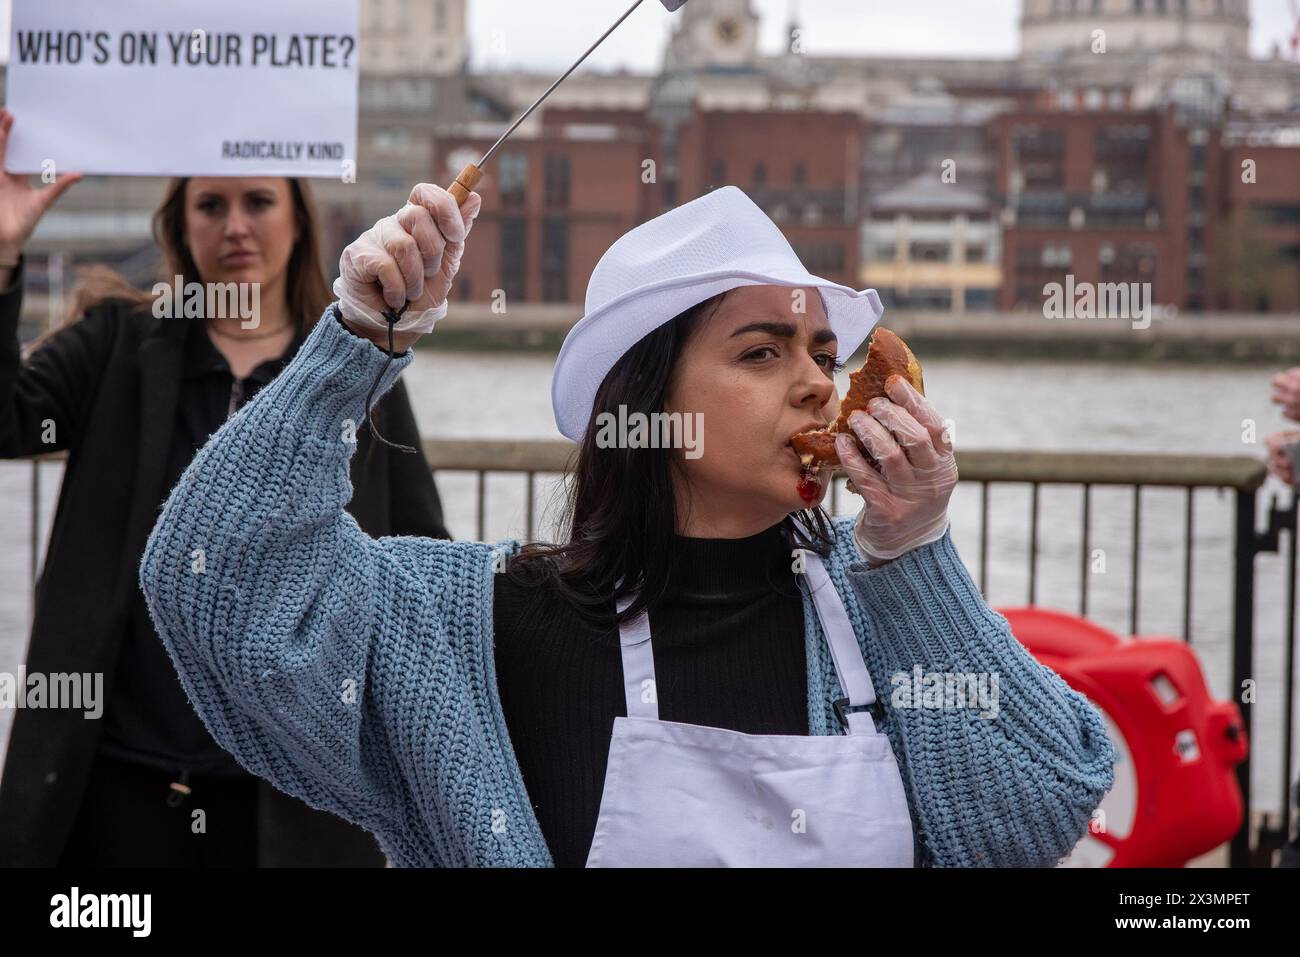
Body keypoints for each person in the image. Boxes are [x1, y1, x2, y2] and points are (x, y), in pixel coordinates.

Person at [139, 182, 1117, 867]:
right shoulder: (484, 623)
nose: (820, 381)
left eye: (822, 350)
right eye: (762, 352)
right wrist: (352, 347)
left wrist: (914, 553)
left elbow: (1033, 819)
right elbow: (215, 584)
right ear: (645, 404)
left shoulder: (880, 618)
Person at [0, 107, 450, 867]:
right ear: (179, 224)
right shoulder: (116, 344)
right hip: (113, 784)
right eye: (211, 204)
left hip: (287, 803)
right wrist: (4, 251)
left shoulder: (351, 377)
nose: (236, 225)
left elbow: (420, 559)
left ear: (299, 221)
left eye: (258, 201)